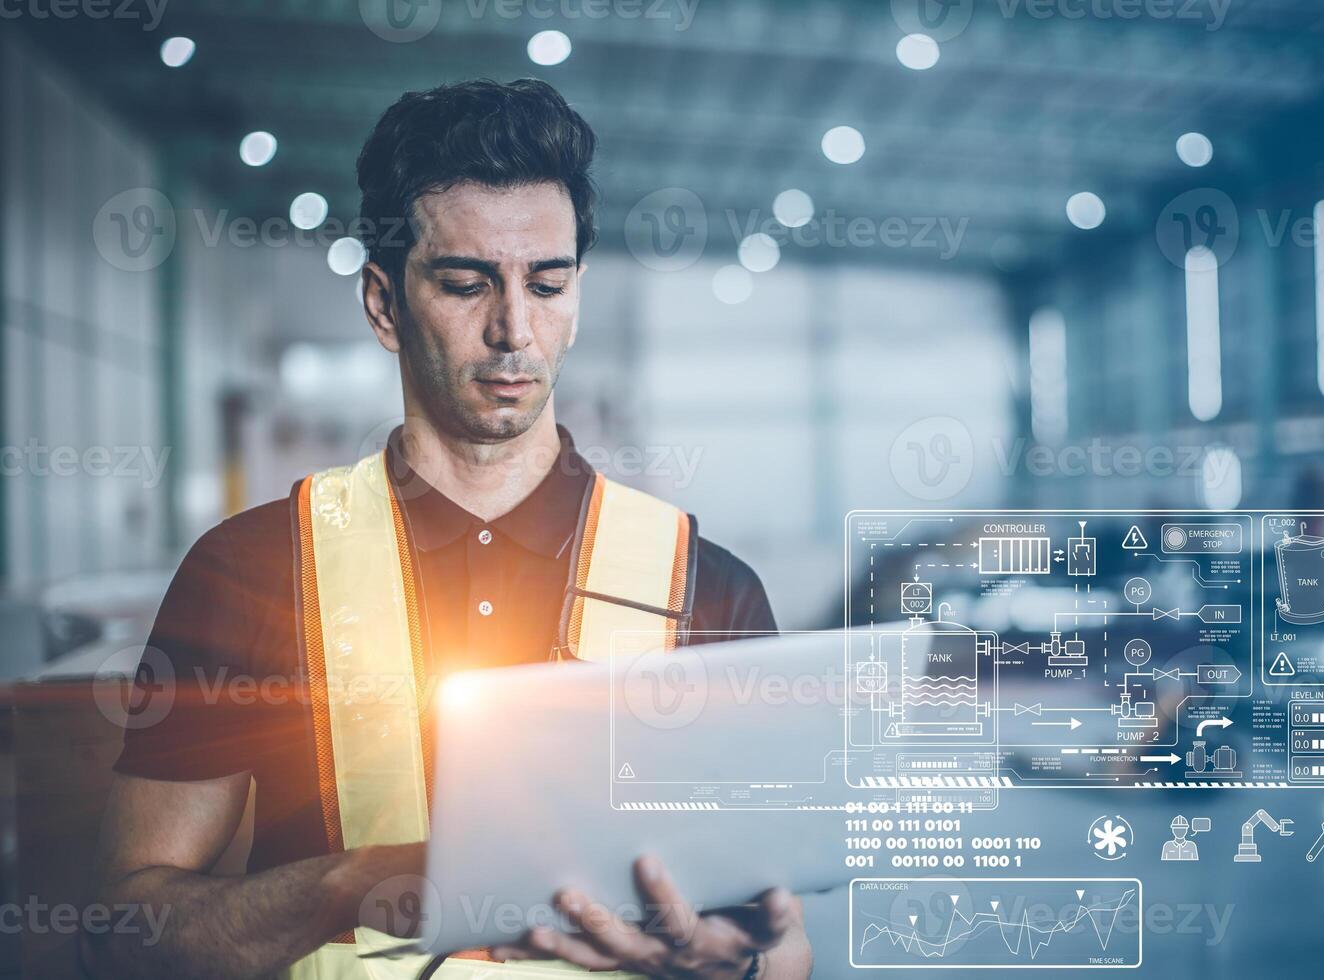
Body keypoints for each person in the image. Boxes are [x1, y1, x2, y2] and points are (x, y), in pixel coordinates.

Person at [85, 78, 812, 980]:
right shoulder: (252, 569)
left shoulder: (705, 585)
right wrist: (354, 882)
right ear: (384, 305)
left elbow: (786, 948)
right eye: (466, 285)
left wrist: (732, 966)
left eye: (546, 284)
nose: (515, 330)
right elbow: (124, 932)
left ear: (576, 297)